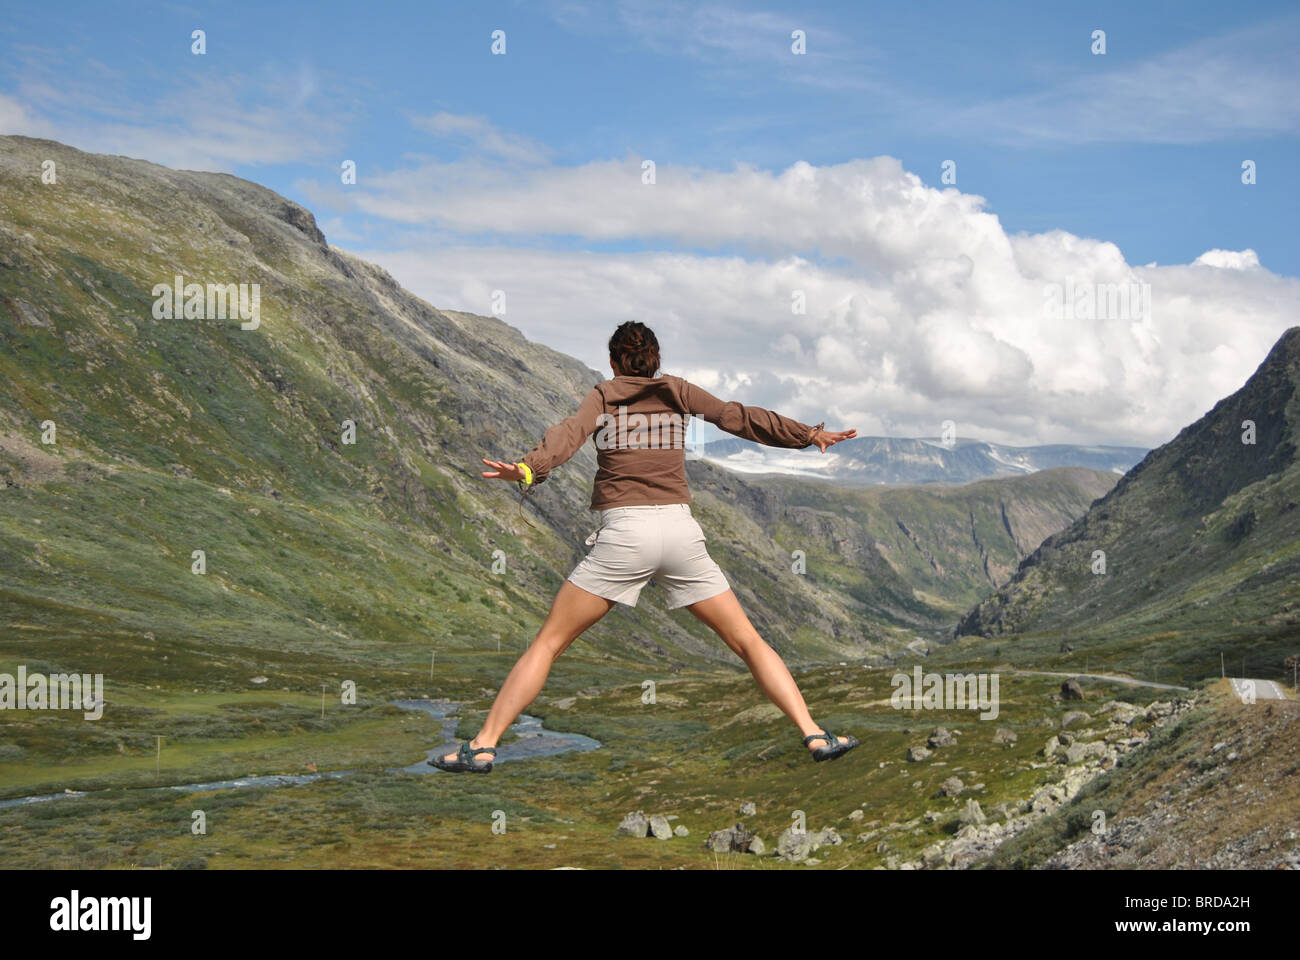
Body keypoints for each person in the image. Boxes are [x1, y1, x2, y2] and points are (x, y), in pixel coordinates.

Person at [431, 321, 859, 773]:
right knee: (748, 640)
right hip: (680, 533)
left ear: (615, 361)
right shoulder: (678, 391)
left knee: (548, 646)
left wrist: (527, 469)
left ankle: (482, 746)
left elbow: (567, 436)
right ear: (656, 360)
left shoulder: (603, 396)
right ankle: (813, 734)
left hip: (625, 535)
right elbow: (740, 416)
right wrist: (808, 435)